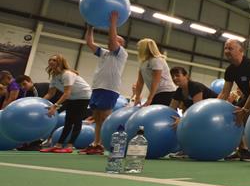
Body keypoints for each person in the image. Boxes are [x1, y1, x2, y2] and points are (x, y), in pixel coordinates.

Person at [81, 11, 128, 155]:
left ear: (121, 44)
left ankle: (107, 144)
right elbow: (89, 43)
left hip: (109, 89)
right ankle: (96, 144)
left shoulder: (121, 53)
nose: (111, 40)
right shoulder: (104, 53)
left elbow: (112, 40)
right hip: (97, 87)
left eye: (116, 40)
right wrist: (90, 28)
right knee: (97, 118)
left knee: (106, 118)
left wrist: (113, 22)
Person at [220, 39, 250, 161]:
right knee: (233, 114)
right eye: (225, 48)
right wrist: (213, 106)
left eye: (230, 48)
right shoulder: (230, 70)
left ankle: (248, 150)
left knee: (242, 115)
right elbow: (225, 92)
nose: (226, 51)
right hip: (249, 97)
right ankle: (242, 150)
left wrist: (245, 110)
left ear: (241, 50)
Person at [39, 55, 92, 153]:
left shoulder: (67, 74)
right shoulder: (54, 76)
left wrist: (55, 106)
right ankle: (58, 145)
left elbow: (66, 93)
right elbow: (50, 93)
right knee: (68, 120)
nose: (51, 61)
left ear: (60, 62)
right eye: (50, 59)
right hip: (72, 97)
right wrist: (38, 102)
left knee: (77, 120)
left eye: (54, 60)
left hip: (83, 96)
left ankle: (70, 146)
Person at [131, 39, 177, 107]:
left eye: (139, 47)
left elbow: (156, 81)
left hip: (167, 92)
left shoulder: (157, 60)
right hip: (157, 93)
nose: (138, 49)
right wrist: (137, 97)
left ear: (145, 48)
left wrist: (150, 99)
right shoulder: (143, 63)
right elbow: (140, 82)